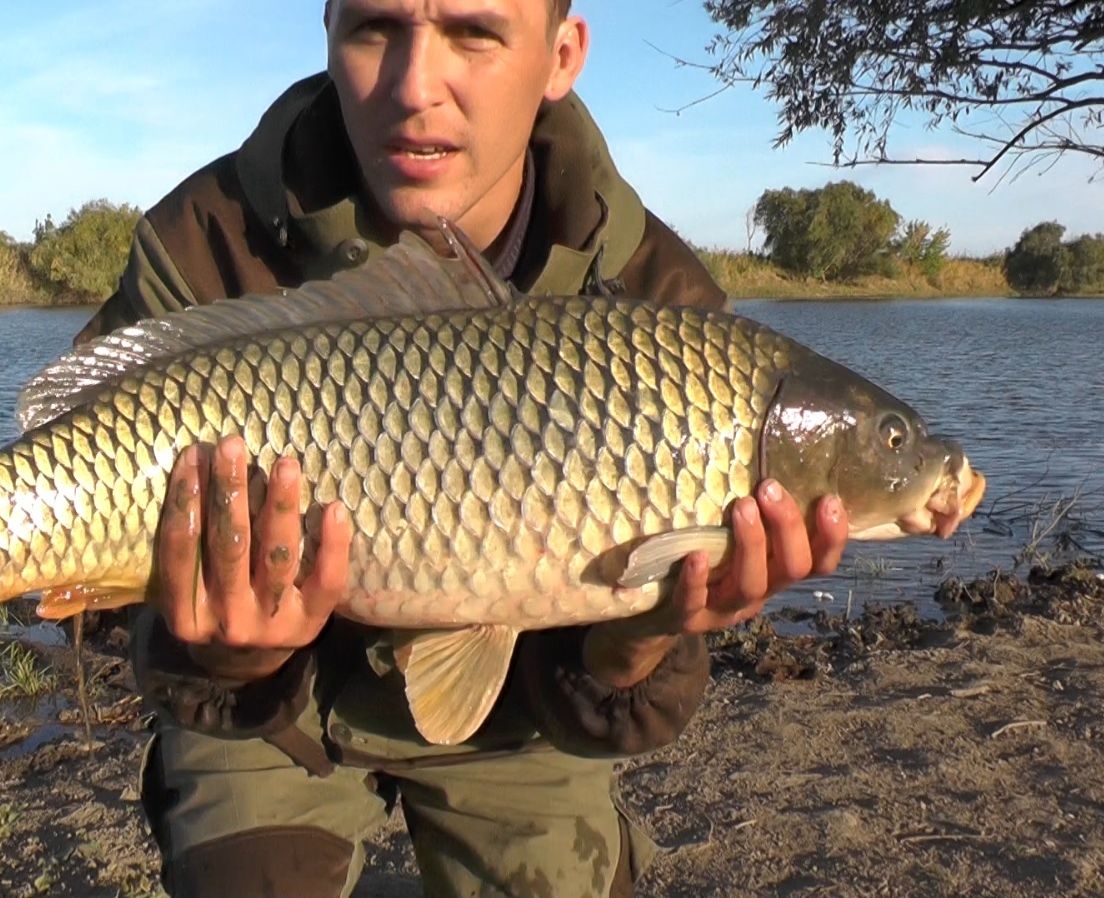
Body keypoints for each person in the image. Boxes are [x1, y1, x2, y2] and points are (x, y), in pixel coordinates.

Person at [78, 1, 849, 895]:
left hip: (519, 714)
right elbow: (121, 608)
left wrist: (636, 641)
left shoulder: (660, 306)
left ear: (562, 55)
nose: (414, 88)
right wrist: (228, 655)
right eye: (374, 29)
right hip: (275, 718)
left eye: (474, 33)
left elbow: (620, 697)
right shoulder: (208, 242)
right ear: (326, 31)